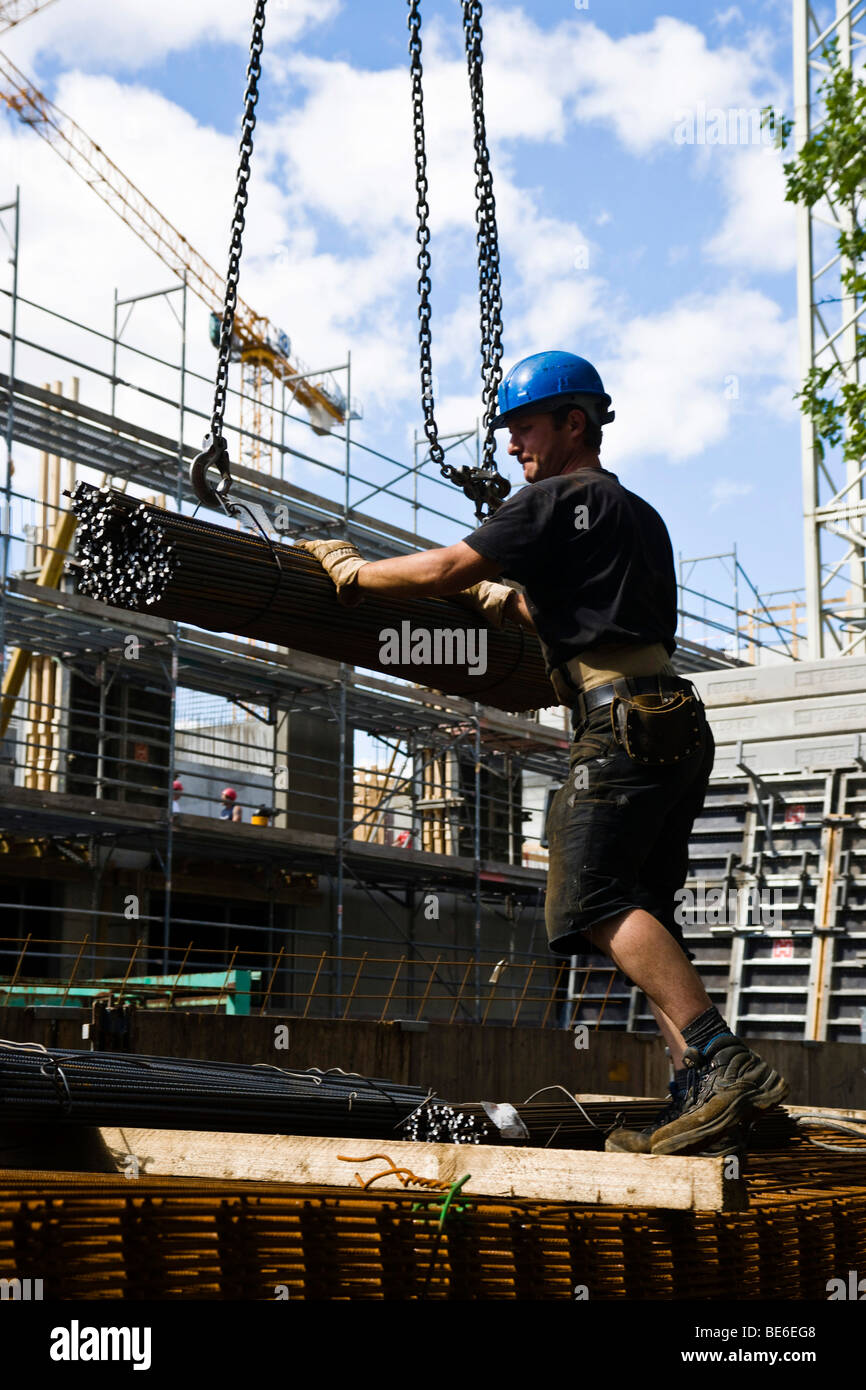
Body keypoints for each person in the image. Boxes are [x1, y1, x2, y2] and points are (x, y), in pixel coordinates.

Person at [298, 350, 788, 1156]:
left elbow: (450, 565)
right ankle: (709, 1099)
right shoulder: (637, 512)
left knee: (593, 902)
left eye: (525, 426)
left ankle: (721, 1060)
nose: (514, 445)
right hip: (672, 721)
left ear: (575, 422)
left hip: (617, 727)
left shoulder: (551, 497)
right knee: (644, 912)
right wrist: (517, 602)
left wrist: (357, 574)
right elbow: (601, 622)